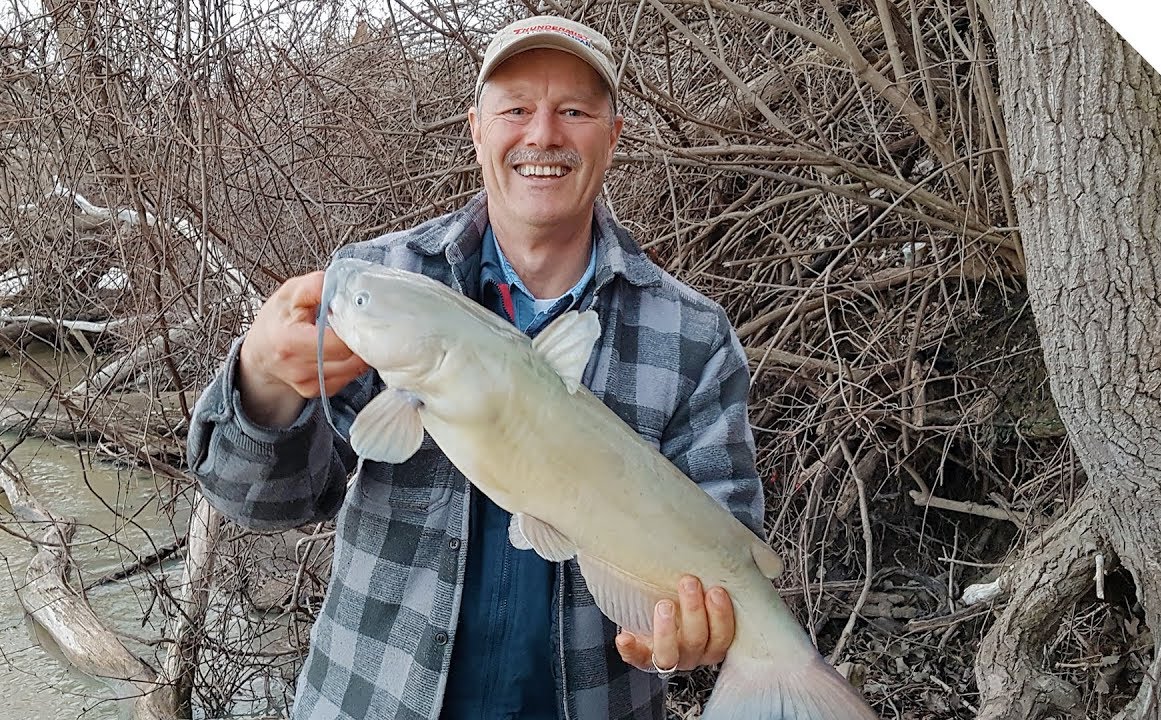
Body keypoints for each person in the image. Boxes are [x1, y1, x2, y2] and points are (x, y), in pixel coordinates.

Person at [187, 15, 764, 720]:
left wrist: (704, 628)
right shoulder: (381, 285)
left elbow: (727, 540)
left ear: (612, 136)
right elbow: (260, 504)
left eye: (574, 111)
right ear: (477, 129)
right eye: (516, 109)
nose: (543, 135)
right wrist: (264, 378)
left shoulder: (695, 336)